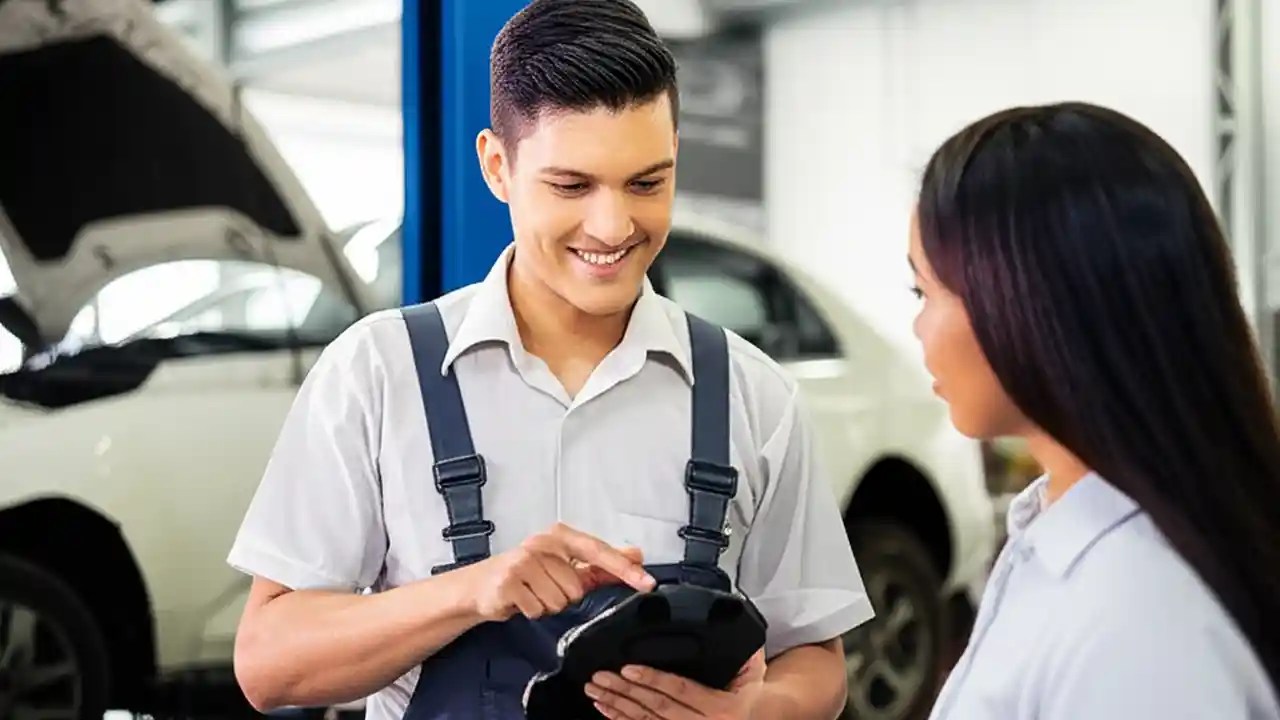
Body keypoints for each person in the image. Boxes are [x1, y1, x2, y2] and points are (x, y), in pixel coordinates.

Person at [227, 1, 871, 718]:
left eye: (646, 183)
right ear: (497, 166)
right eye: (572, 186)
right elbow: (268, 663)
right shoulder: (378, 374)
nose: (613, 225)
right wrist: (471, 591)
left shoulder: (754, 398)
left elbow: (815, 661)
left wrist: (747, 716)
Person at [907, 101, 1280, 719]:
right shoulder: (1078, 540)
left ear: (1030, 300)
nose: (917, 327)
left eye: (924, 290)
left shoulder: (1143, 625)